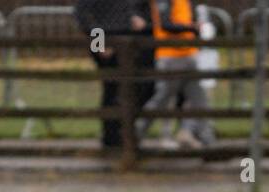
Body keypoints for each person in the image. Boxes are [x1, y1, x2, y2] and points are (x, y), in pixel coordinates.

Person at [136, 0, 216, 150]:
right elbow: (165, 24)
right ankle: (135, 134)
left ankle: (208, 142)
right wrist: (191, 28)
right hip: (170, 56)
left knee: (199, 100)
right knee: (162, 99)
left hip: (188, 55)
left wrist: (195, 28)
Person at [74, 0, 152, 152]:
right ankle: (111, 137)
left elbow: (136, 9)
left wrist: (137, 17)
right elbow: (83, 15)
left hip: (129, 44)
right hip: (106, 42)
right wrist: (100, 43)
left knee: (139, 86)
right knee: (111, 88)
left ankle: (124, 133)